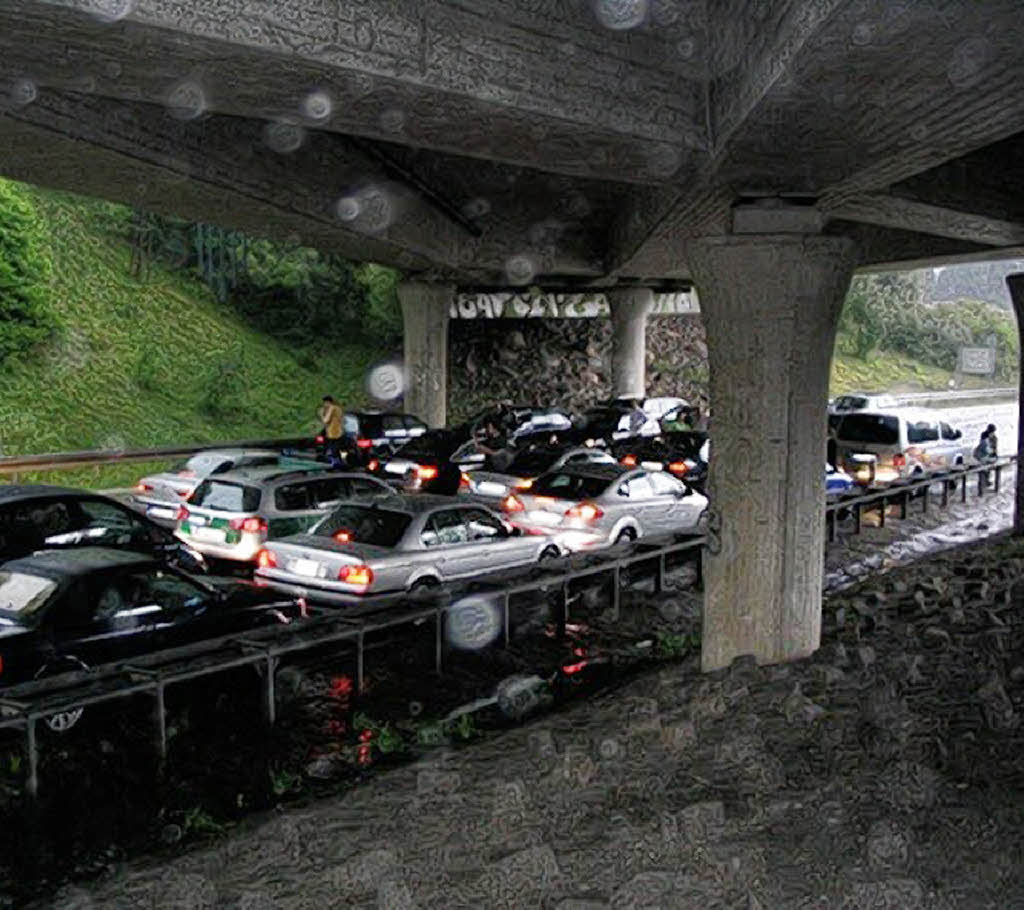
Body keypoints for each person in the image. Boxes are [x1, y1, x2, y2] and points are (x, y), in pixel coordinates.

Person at [318, 395, 345, 468]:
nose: (324, 405)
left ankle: (335, 465)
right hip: (338, 432)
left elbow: (325, 420)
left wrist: (321, 415)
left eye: (325, 403)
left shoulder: (332, 408)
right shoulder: (338, 409)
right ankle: (339, 463)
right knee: (336, 450)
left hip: (333, 433)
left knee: (333, 450)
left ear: (328, 402)